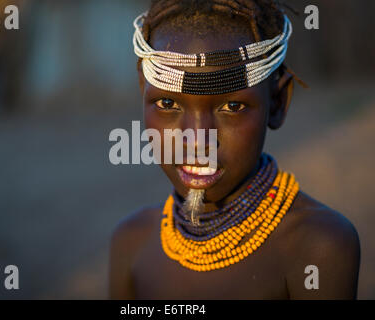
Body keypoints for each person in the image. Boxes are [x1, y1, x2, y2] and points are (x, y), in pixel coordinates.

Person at [109, 0, 360, 299]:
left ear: (277, 104)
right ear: (143, 91)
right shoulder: (132, 242)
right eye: (167, 103)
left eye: (232, 106)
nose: (199, 140)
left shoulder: (317, 246)